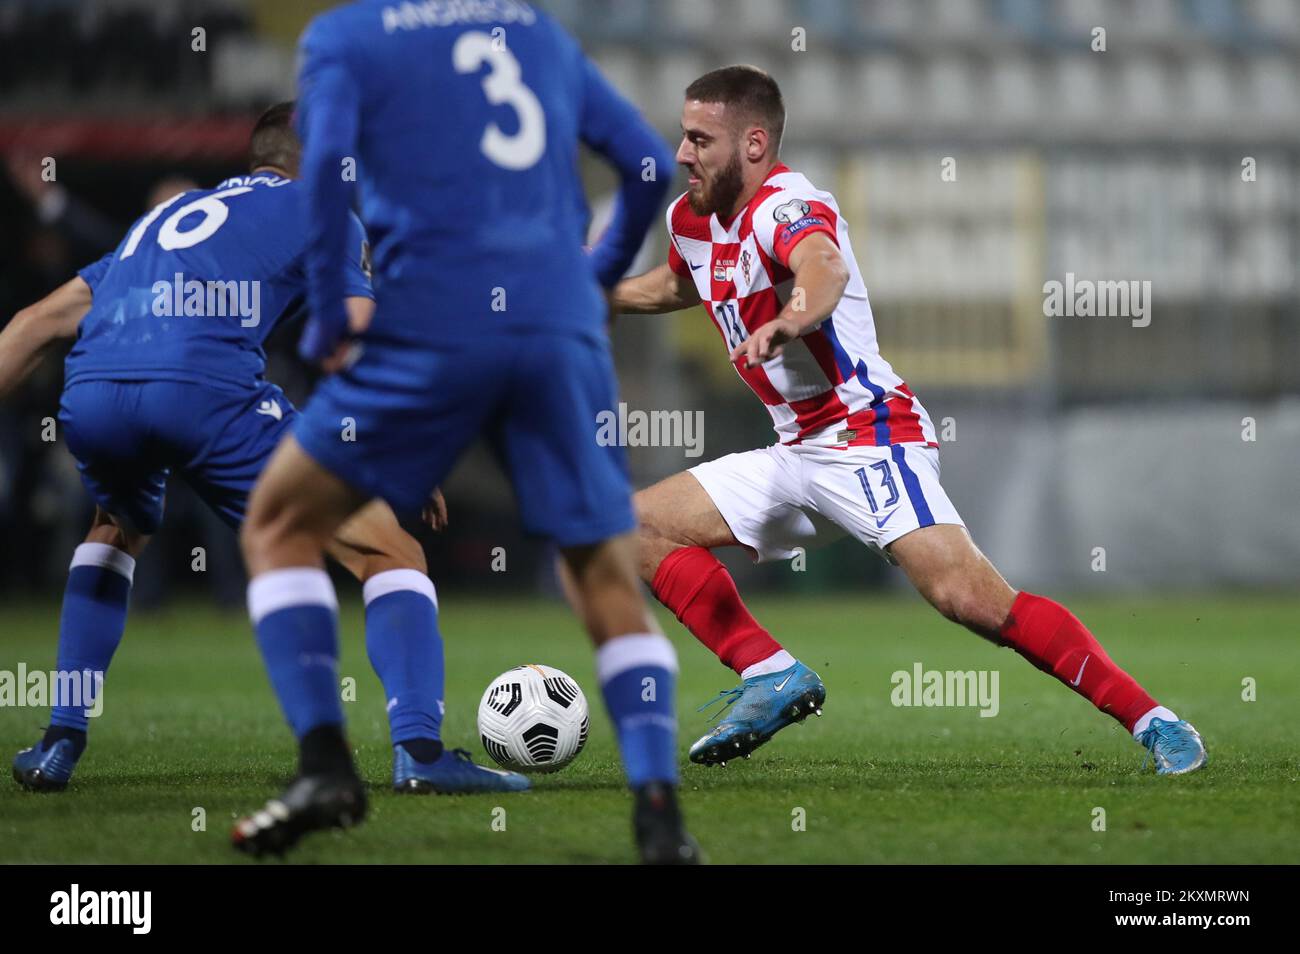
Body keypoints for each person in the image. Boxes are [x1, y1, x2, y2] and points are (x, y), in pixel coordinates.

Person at [611, 66, 1208, 776]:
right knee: (627, 527)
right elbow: (679, 281)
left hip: (867, 438)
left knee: (970, 599)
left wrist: (793, 318)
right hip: (796, 449)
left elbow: (822, 266)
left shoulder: (786, 205)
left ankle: (1156, 721)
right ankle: (770, 672)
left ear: (754, 143)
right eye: (684, 135)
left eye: (700, 139)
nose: (683, 152)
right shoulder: (694, 219)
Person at [233, 2, 697, 863]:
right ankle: (660, 818)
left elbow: (326, 168)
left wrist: (332, 313)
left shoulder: (345, 36)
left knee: (278, 523)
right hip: (556, 323)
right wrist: (594, 275)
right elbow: (643, 166)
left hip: (428, 322)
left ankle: (326, 765)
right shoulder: (534, 30)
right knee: (600, 569)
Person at [2, 103, 527, 800]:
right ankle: (422, 753)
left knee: (114, 527)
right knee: (389, 550)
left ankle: (58, 741)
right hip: (203, 391)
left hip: (94, 393)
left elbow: (35, 322)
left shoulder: (164, 220)